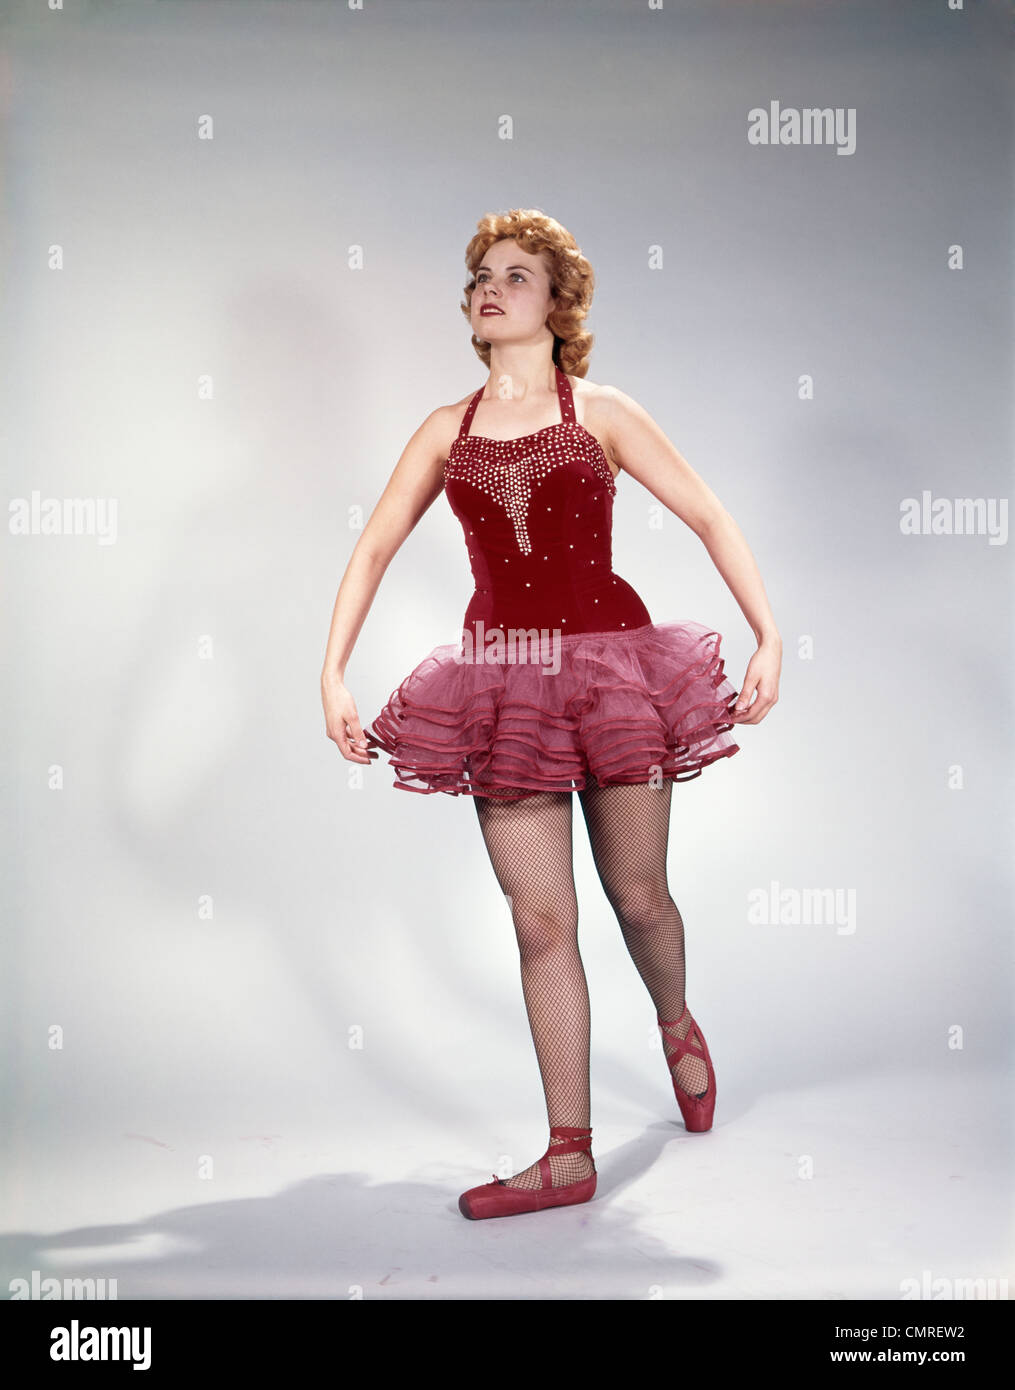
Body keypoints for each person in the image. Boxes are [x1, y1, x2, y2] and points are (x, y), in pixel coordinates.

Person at [320, 208, 781, 1220]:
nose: (490, 286)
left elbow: (707, 512)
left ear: (558, 303)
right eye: (480, 274)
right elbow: (371, 552)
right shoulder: (445, 430)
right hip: (502, 682)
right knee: (541, 920)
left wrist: (767, 635)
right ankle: (567, 1154)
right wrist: (334, 675)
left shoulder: (601, 411)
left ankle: (673, 1018)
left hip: (615, 672)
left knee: (640, 895)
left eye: (516, 274)